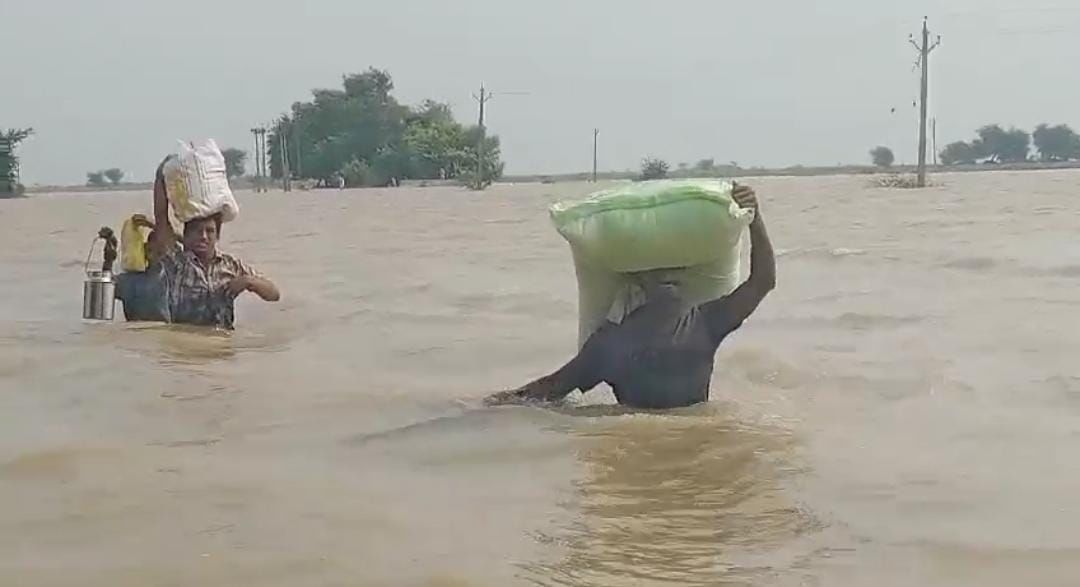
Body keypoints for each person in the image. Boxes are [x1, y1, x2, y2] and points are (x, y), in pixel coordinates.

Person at [485, 184, 776, 410]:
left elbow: (550, 389)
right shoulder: (702, 324)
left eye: (673, 268)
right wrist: (496, 402)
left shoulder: (613, 343)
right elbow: (550, 388)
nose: (668, 275)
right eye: (660, 271)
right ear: (637, 278)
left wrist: (753, 215)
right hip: (694, 443)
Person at [116, 160, 280, 329]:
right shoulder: (176, 262)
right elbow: (161, 216)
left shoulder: (230, 266)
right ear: (186, 235)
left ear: (217, 236)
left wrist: (248, 281)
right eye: (197, 231)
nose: (203, 237)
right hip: (184, 339)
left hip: (221, 340)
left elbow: (274, 294)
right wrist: (161, 176)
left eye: (210, 231)